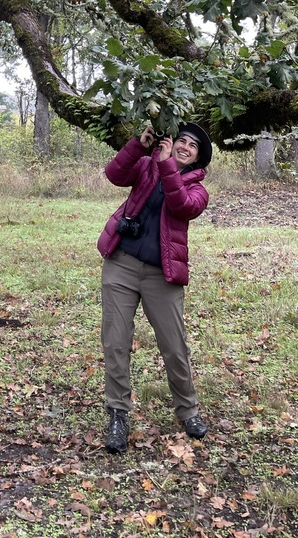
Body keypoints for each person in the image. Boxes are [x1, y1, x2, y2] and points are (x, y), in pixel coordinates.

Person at [97, 122, 212, 453]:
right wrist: (139, 143)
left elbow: (181, 206)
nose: (185, 147)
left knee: (174, 345)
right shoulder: (147, 164)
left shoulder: (198, 191)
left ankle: (187, 411)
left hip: (162, 275)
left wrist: (166, 164)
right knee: (116, 342)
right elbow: (115, 174)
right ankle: (118, 414)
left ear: (197, 158)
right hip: (121, 264)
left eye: (193, 146)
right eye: (182, 140)